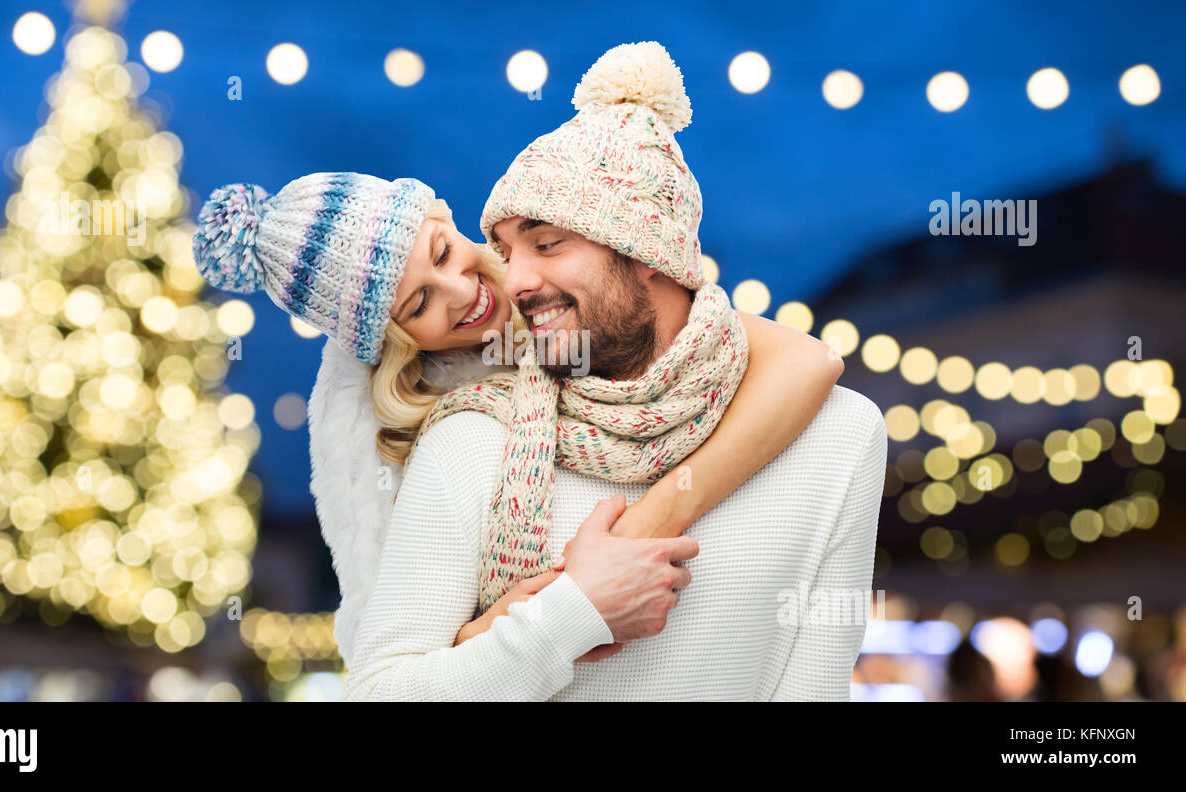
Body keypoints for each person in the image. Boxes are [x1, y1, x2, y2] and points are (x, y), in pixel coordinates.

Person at [191, 43, 840, 674]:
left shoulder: (579, 304)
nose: (465, 292)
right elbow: (407, 656)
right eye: (418, 303)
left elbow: (806, 361)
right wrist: (511, 620)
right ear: (397, 340)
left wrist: (652, 522)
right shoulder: (443, 435)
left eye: (444, 253)